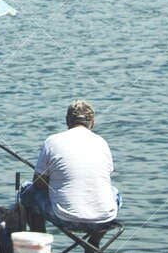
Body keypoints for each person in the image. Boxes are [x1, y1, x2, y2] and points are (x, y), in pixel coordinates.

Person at [18, 99, 120, 241]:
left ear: (67, 121)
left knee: (26, 190)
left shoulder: (52, 142)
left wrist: (54, 184)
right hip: (103, 221)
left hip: (65, 218)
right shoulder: (102, 143)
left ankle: (41, 244)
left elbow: (38, 184)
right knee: (115, 193)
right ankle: (93, 243)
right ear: (93, 122)